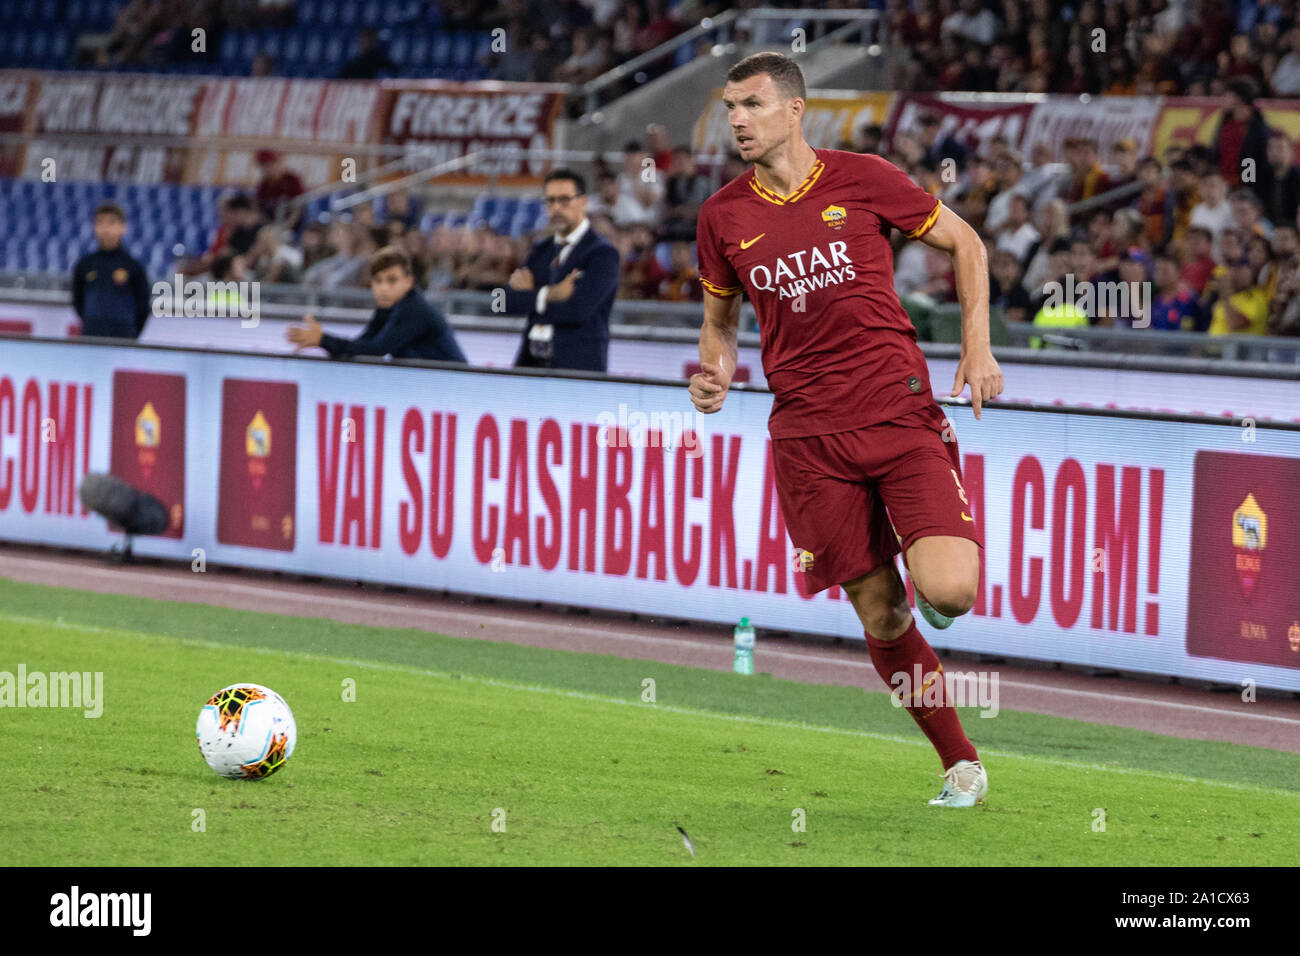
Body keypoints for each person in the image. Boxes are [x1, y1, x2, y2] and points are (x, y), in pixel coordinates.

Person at [690, 53, 1002, 809]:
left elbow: (967, 243)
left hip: (897, 411)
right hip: (808, 439)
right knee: (880, 611)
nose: (736, 119)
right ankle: (959, 763)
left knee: (952, 593)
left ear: (795, 111)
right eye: (730, 106)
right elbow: (720, 325)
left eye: (752, 104)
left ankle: (927, 568)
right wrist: (715, 372)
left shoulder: (863, 177)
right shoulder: (722, 216)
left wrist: (978, 345)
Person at [504, 169, 619, 372]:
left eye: (564, 200)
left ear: (583, 202)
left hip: (578, 370)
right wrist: (551, 294)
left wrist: (531, 297)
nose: (556, 208)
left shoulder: (603, 254)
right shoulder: (540, 251)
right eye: (550, 201)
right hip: (530, 368)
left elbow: (577, 311)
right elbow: (503, 302)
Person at [286, 245, 467, 362]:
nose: (384, 288)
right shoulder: (388, 306)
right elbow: (362, 345)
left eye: (391, 280)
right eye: (378, 281)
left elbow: (375, 350)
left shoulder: (413, 309)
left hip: (456, 392)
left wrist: (324, 340)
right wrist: (323, 342)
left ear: (408, 282)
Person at [71, 201, 151, 339]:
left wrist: (130, 333)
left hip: (124, 338)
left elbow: (143, 306)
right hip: (91, 335)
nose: (105, 228)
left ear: (123, 228)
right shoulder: (85, 264)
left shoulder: (133, 266)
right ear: (94, 227)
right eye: (100, 223)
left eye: (112, 223)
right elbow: (78, 301)